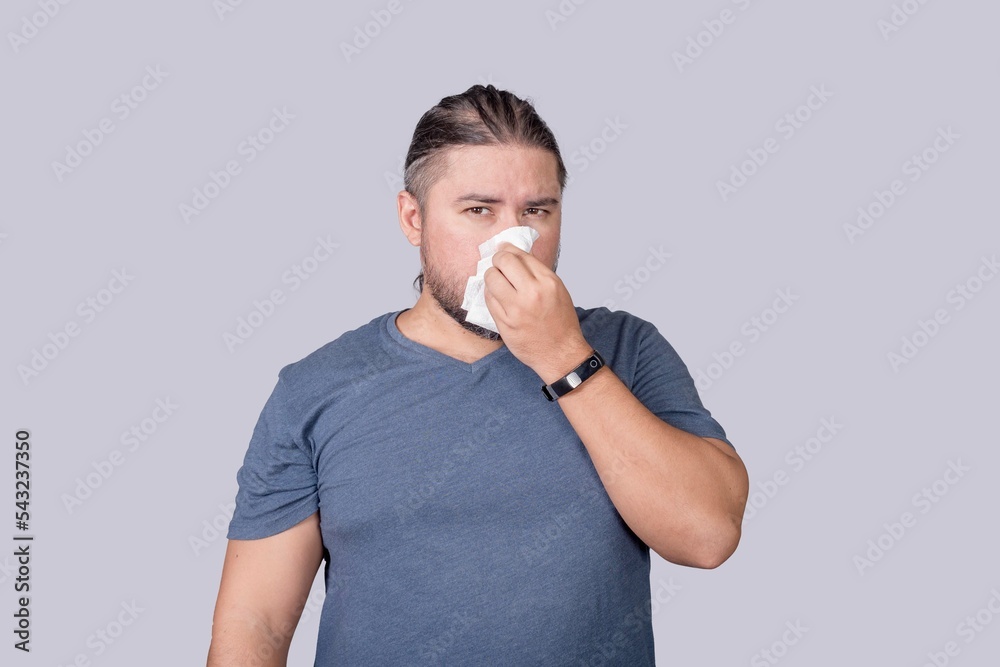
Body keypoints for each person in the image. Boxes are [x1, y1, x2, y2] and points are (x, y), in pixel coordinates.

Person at [207, 84, 749, 666]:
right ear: (413, 218)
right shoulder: (315, 389)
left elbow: (707, 536)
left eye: (536, 211)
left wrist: (563, 354)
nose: (513, 243)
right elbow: (255, 625)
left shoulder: (627, 349)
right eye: (478, 211)